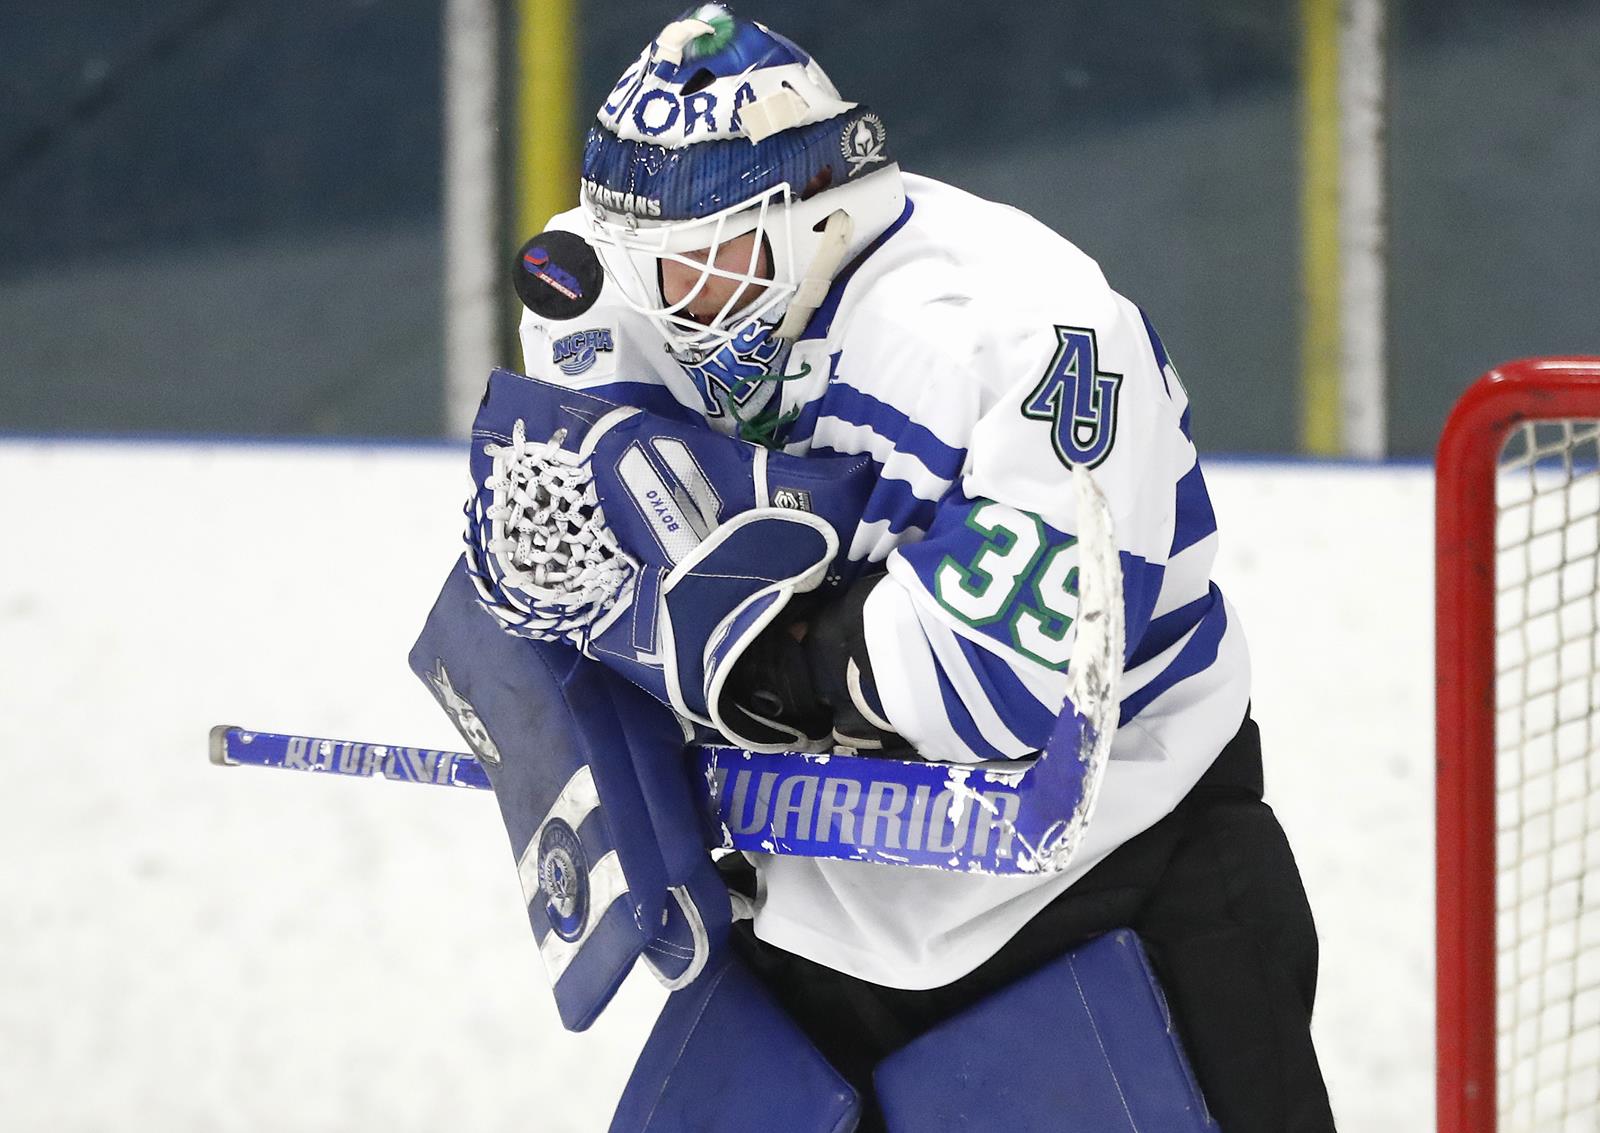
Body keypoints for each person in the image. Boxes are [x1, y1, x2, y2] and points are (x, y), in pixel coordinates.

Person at [513, 6, 1335, 1130]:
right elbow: (575, 527)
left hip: (1101, 889)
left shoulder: (1025, 331)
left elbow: (999, 685)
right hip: (810, 903)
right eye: (642, 268)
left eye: (705, 268)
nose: (668, 307)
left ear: (818, 217)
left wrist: (726, 648)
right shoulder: (626, 286)